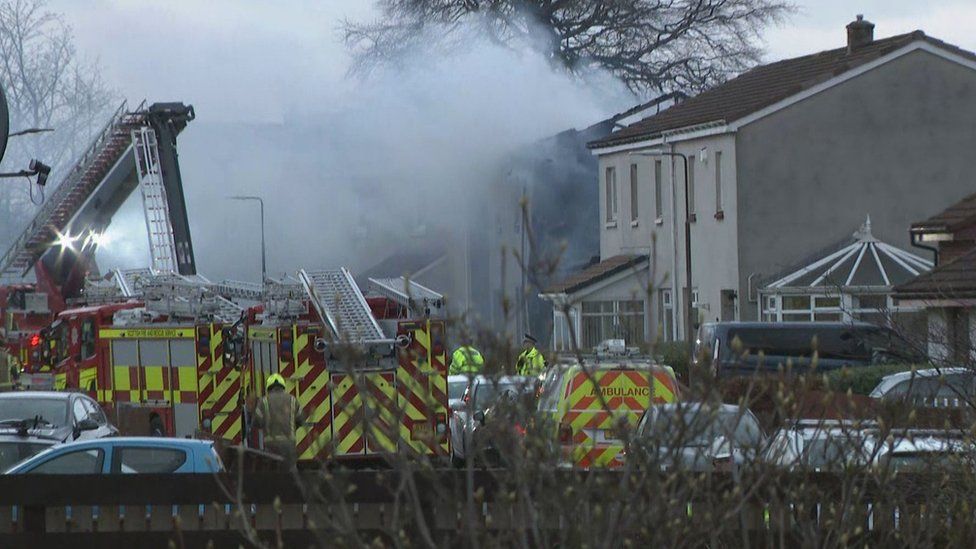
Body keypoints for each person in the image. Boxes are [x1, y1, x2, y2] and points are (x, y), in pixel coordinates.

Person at [250, 373, 305, 471]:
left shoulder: (264, 401)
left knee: (272, 475)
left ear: (269, 388)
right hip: (289, 447)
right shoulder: (292, 400)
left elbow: (256, 423)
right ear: (283, 386)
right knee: (291, 475)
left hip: (271, 447)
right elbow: (301, 420)